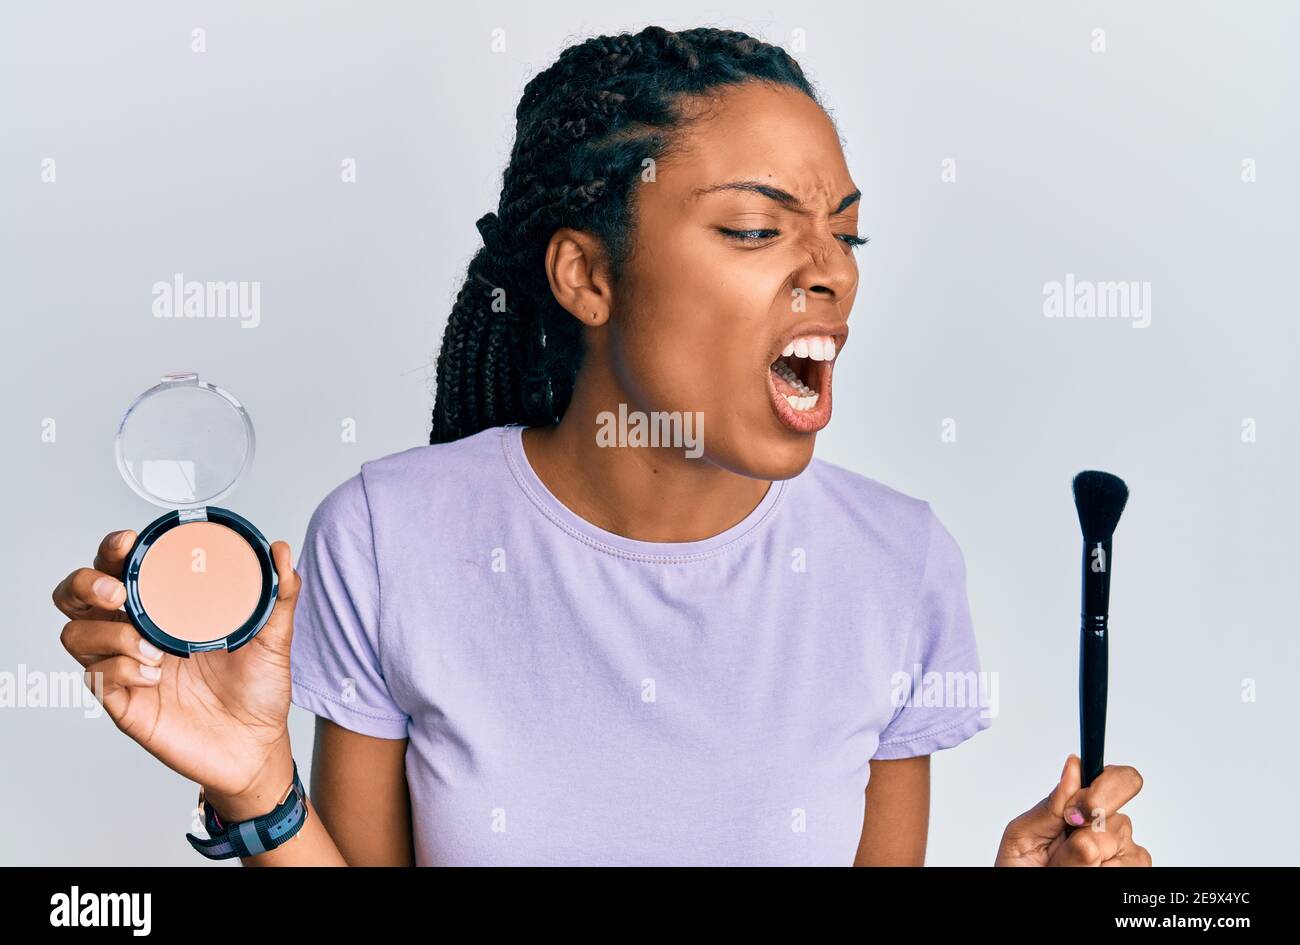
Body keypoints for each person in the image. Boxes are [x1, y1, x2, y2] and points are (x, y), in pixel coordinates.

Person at [52, 25, 1149, 866]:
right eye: (757, 228)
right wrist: (256, 786)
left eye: (846, 231)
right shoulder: (389, 535)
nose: (834, 269)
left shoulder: (895, 562)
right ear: (585, 276)